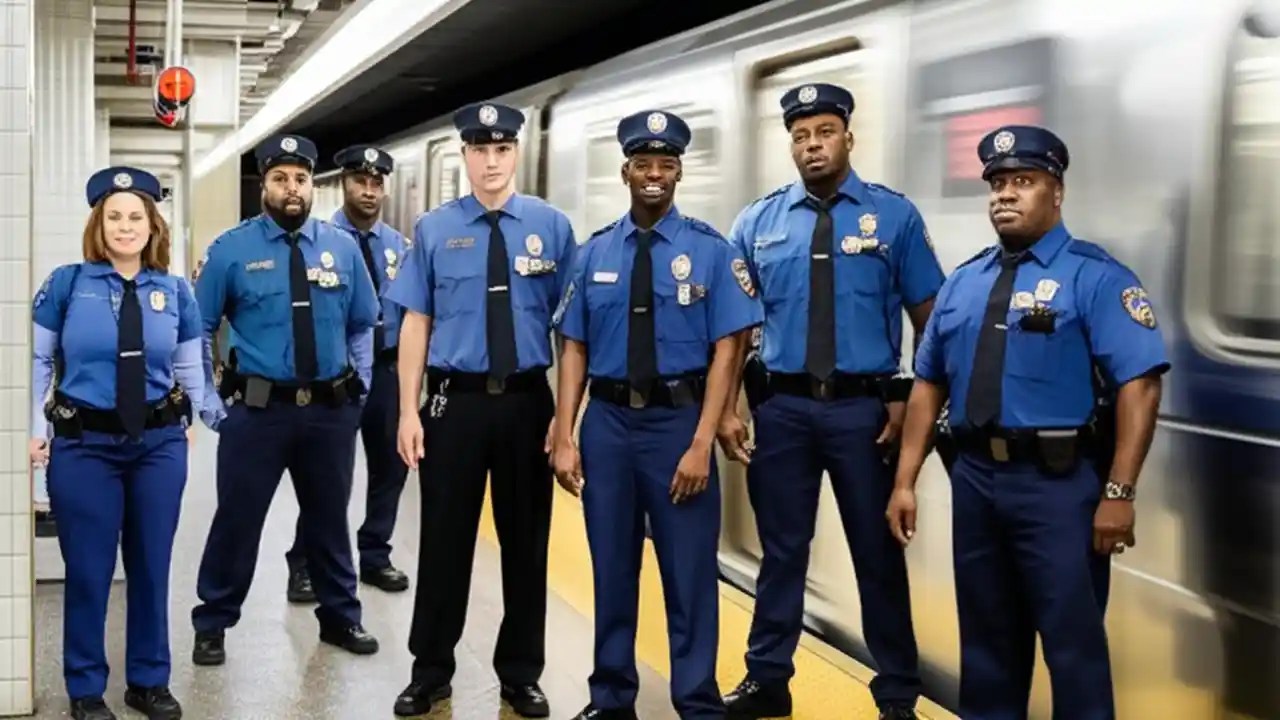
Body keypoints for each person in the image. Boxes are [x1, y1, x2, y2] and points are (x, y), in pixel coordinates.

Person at [886, 124, 1170, 719]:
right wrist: (906, 480)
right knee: (987, 648)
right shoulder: (964, 283)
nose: (1005, 195)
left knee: (1073, 650)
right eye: (996, 184)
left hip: (1061, 490)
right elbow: (929, 383)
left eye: (1023, 182)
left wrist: (1119, 492)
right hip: (977, 484)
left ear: (1056, 192)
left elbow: (1139, 386)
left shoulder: (1095, 277)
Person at [717, 82, 940, 720]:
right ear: (790, 144)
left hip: (862, 415)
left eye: (824, 133)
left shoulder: (893, 218)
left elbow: (933, 320)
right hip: (781, 410)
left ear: (848, 136)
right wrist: (730, 406)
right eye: (800, 136)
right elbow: (734, 329)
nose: (812, 146)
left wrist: (903, 393)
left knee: (877, 553)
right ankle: (768, 680)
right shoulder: (757, 223)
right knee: (781, 552)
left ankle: (897, 690)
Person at [551, 109, 764, 720]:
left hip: (679, 422)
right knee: (611, 567)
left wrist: (703, 440)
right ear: (625, 172)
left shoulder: (710, 250)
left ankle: (696, 701)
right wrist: (565, 434)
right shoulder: (593, 254)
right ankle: (611, 698)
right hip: (609, 427)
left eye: (665, 166)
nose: (654, 175)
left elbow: (731, 347)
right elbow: (574, 349)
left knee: (690, 574)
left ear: (678, 173)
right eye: (642, 165)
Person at [386, 101, 576, 719]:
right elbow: (417, 322)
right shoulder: (435, 229)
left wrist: (564, 418)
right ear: (463, 156)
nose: (490, 162)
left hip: (527, 404)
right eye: (479, 150)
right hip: (452, 404)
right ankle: (430, 671)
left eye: (501, 150)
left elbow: (571, 331)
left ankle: (521, 674)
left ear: (516, 153)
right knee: (443, 542)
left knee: (527, 543)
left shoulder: (552, 227)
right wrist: (407, 411)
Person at [189, 133, 382, 666]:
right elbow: (197, 329)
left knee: (328, 521)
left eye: (300, 179)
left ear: (310, 185)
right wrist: (208, 401)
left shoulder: (340, 247)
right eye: (280, 179)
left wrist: (359, 384)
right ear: (264, 186)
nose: (291, 189)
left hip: (328, 412)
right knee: (238, 519)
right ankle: (213, 622)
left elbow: (363, 323)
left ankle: (341, 617)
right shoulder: (232, 250)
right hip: (256, 414)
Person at [30, 166, 207, 720]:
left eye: (136, 217)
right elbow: (37, 361)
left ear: (153, 226)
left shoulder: (175, 290)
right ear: (98, 224)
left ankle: (148, 682)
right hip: (84, 447)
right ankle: (85, 688)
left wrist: (202, 419)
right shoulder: (66, 284)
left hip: (157, 445)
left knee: (152, 565)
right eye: (115, 217)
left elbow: (189, 365)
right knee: (88, 569)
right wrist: (33, 432)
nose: (125, 227)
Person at [285, 144, 413, 602]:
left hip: (388, 373)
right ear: (344, 184)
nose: (369, 190)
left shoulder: (401, 248)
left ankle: (374, 555)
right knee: (326, 475)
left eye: (377, 183)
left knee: (391, 469)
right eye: (361, 181)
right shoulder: (316, 241)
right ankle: (304, 563)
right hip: (334, 378)